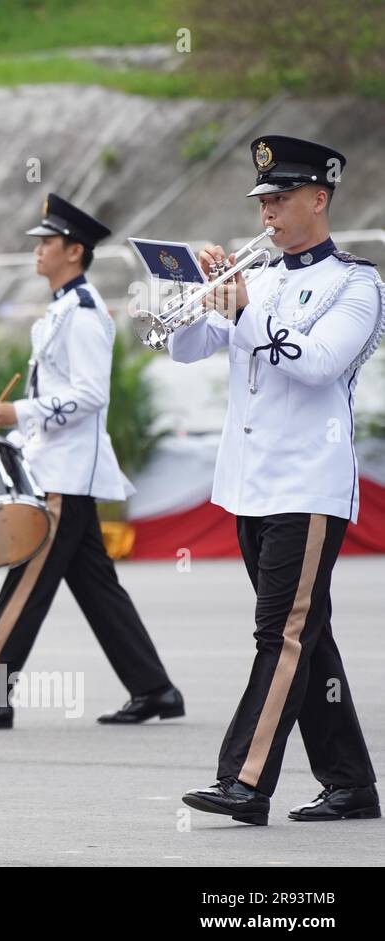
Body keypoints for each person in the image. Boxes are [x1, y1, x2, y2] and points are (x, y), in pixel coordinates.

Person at [172, 136, 382, 825]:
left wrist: (243, 311)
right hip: (250, 484)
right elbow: (182, 347)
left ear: (319, 199)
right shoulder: (255, 278)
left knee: (280, 634)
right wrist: (192, 292)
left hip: (308, 484)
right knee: (305, 633)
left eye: (281, 199)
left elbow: (319, 364)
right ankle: (350, 782)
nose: (268, 213)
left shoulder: (358, 284)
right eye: (262, 200)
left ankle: (245, 780)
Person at [0, 194, 183, 731]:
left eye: (47, 242)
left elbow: (93, 395)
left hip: (65, 477)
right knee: (97, 589)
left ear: (74, 251)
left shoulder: (85, 314)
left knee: (24, 584)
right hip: (54, 468)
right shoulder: (62, 310)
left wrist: (19, 411)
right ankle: (154, 689)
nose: (38, 250)